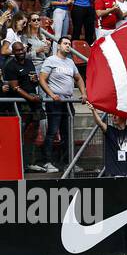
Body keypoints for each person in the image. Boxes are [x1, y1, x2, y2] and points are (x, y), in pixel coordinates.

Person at [37, 36, 84, 174]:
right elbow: (42, 79)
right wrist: (51, 94)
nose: (68, 46)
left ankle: (68, 163)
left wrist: (84, 93)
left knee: (67, 134)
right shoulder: (50, 60)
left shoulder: (70, 62)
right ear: (58, 46)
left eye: (69, 44)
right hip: (55, 102)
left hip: (68, 102)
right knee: (52, 132)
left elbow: (79, 78)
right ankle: (47, 162)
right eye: (65, 43)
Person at [2, 41, 44, 173]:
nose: (20, 52)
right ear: (13, 52)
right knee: (20, 133)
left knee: (34, 131)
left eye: (22, 50)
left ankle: (30, 162)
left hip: (34, 102)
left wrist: (35, 80)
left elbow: (34, 79)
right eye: (17, 51)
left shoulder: (29, 62)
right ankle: (16, 163)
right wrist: (30, 97)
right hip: (22, 104)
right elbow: (15, 87)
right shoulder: (10, 65)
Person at [91, 107, 127, 177]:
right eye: (113, 115)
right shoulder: (110, 131)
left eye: (116, 115)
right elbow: (100, 123)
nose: (114, 117)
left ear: (124, 117)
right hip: (114, 175)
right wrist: (93, 110)